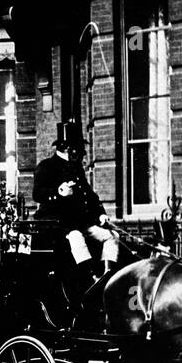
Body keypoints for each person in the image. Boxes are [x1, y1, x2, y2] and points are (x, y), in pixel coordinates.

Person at [33, 121, 118, 293]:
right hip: (58, 226)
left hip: (80, 222)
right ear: (69, 148)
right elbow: (37, 194)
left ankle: (106, 275)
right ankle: (90, 278)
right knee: (76, 237)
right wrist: (58, 192)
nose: (82, 153)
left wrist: (100, 214)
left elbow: (90, 196)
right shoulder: (46, 167)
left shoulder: (76, 169)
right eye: (78, 149)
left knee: (111, 236)